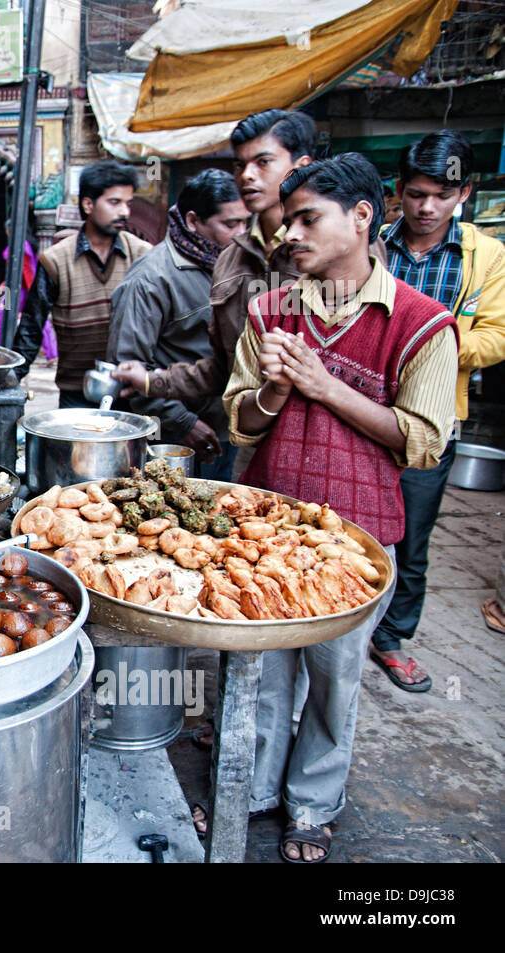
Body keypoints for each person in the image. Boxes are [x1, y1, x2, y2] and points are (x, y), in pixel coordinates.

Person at [222, 153, 458, 862]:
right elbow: (241, 419)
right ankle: (254, 790)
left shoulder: (421, 323)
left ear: (362, 217)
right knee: (261, 674)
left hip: (354, 543)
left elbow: (422, 441)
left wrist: (325, 387)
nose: (289, 232)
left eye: (307, 217)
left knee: (333, 679)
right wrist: (273, 392)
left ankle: (313, 803)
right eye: (286, 219)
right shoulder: (269, 311)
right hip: (265, 533)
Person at [369, 130, 505, 690]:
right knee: (350, 524)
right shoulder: (373, 240)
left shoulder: (486, 257)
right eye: (417, 194)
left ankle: (392, 637)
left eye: (441, 197)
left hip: (431, 420)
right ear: (398, 192)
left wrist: (430, 342)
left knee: (412, 536)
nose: (427, 208)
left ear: (464, 195)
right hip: (362, 408)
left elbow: (496, 337)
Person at [113, 110, 316, 459]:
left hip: (308, 437)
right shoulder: (227, 260)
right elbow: (225, 364)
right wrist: (161, 395)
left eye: (263, 161)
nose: (247, 176)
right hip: (234, 432)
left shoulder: (323, 251)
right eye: (239, 165)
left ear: (300, 166)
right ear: (194, 221)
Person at [106, 169, 247, 479]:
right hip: (175, 438)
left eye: (245, 223)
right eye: (230, 224)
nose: (242, 233)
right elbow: (127, 370)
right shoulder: (151, 278)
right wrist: (183, 422)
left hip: (228, 427)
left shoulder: (234, 266)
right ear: (194, 221)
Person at [15, 159, 152, 406]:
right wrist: (11, 380)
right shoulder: (56, 260)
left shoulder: (142, 255)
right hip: (75, 393)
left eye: (128, 204)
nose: (125, 212)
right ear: (88, 204)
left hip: (133, 391)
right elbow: (31, 327)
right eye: (114, 202)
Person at [0, 221, 55, 359]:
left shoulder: (20, 245)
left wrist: (32, 291)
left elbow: (25, 270)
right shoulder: (25, 243)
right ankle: (52, 352)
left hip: (18, 289)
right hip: (18, 287)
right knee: (38, 318)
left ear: (9, 229)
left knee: (2, 316)